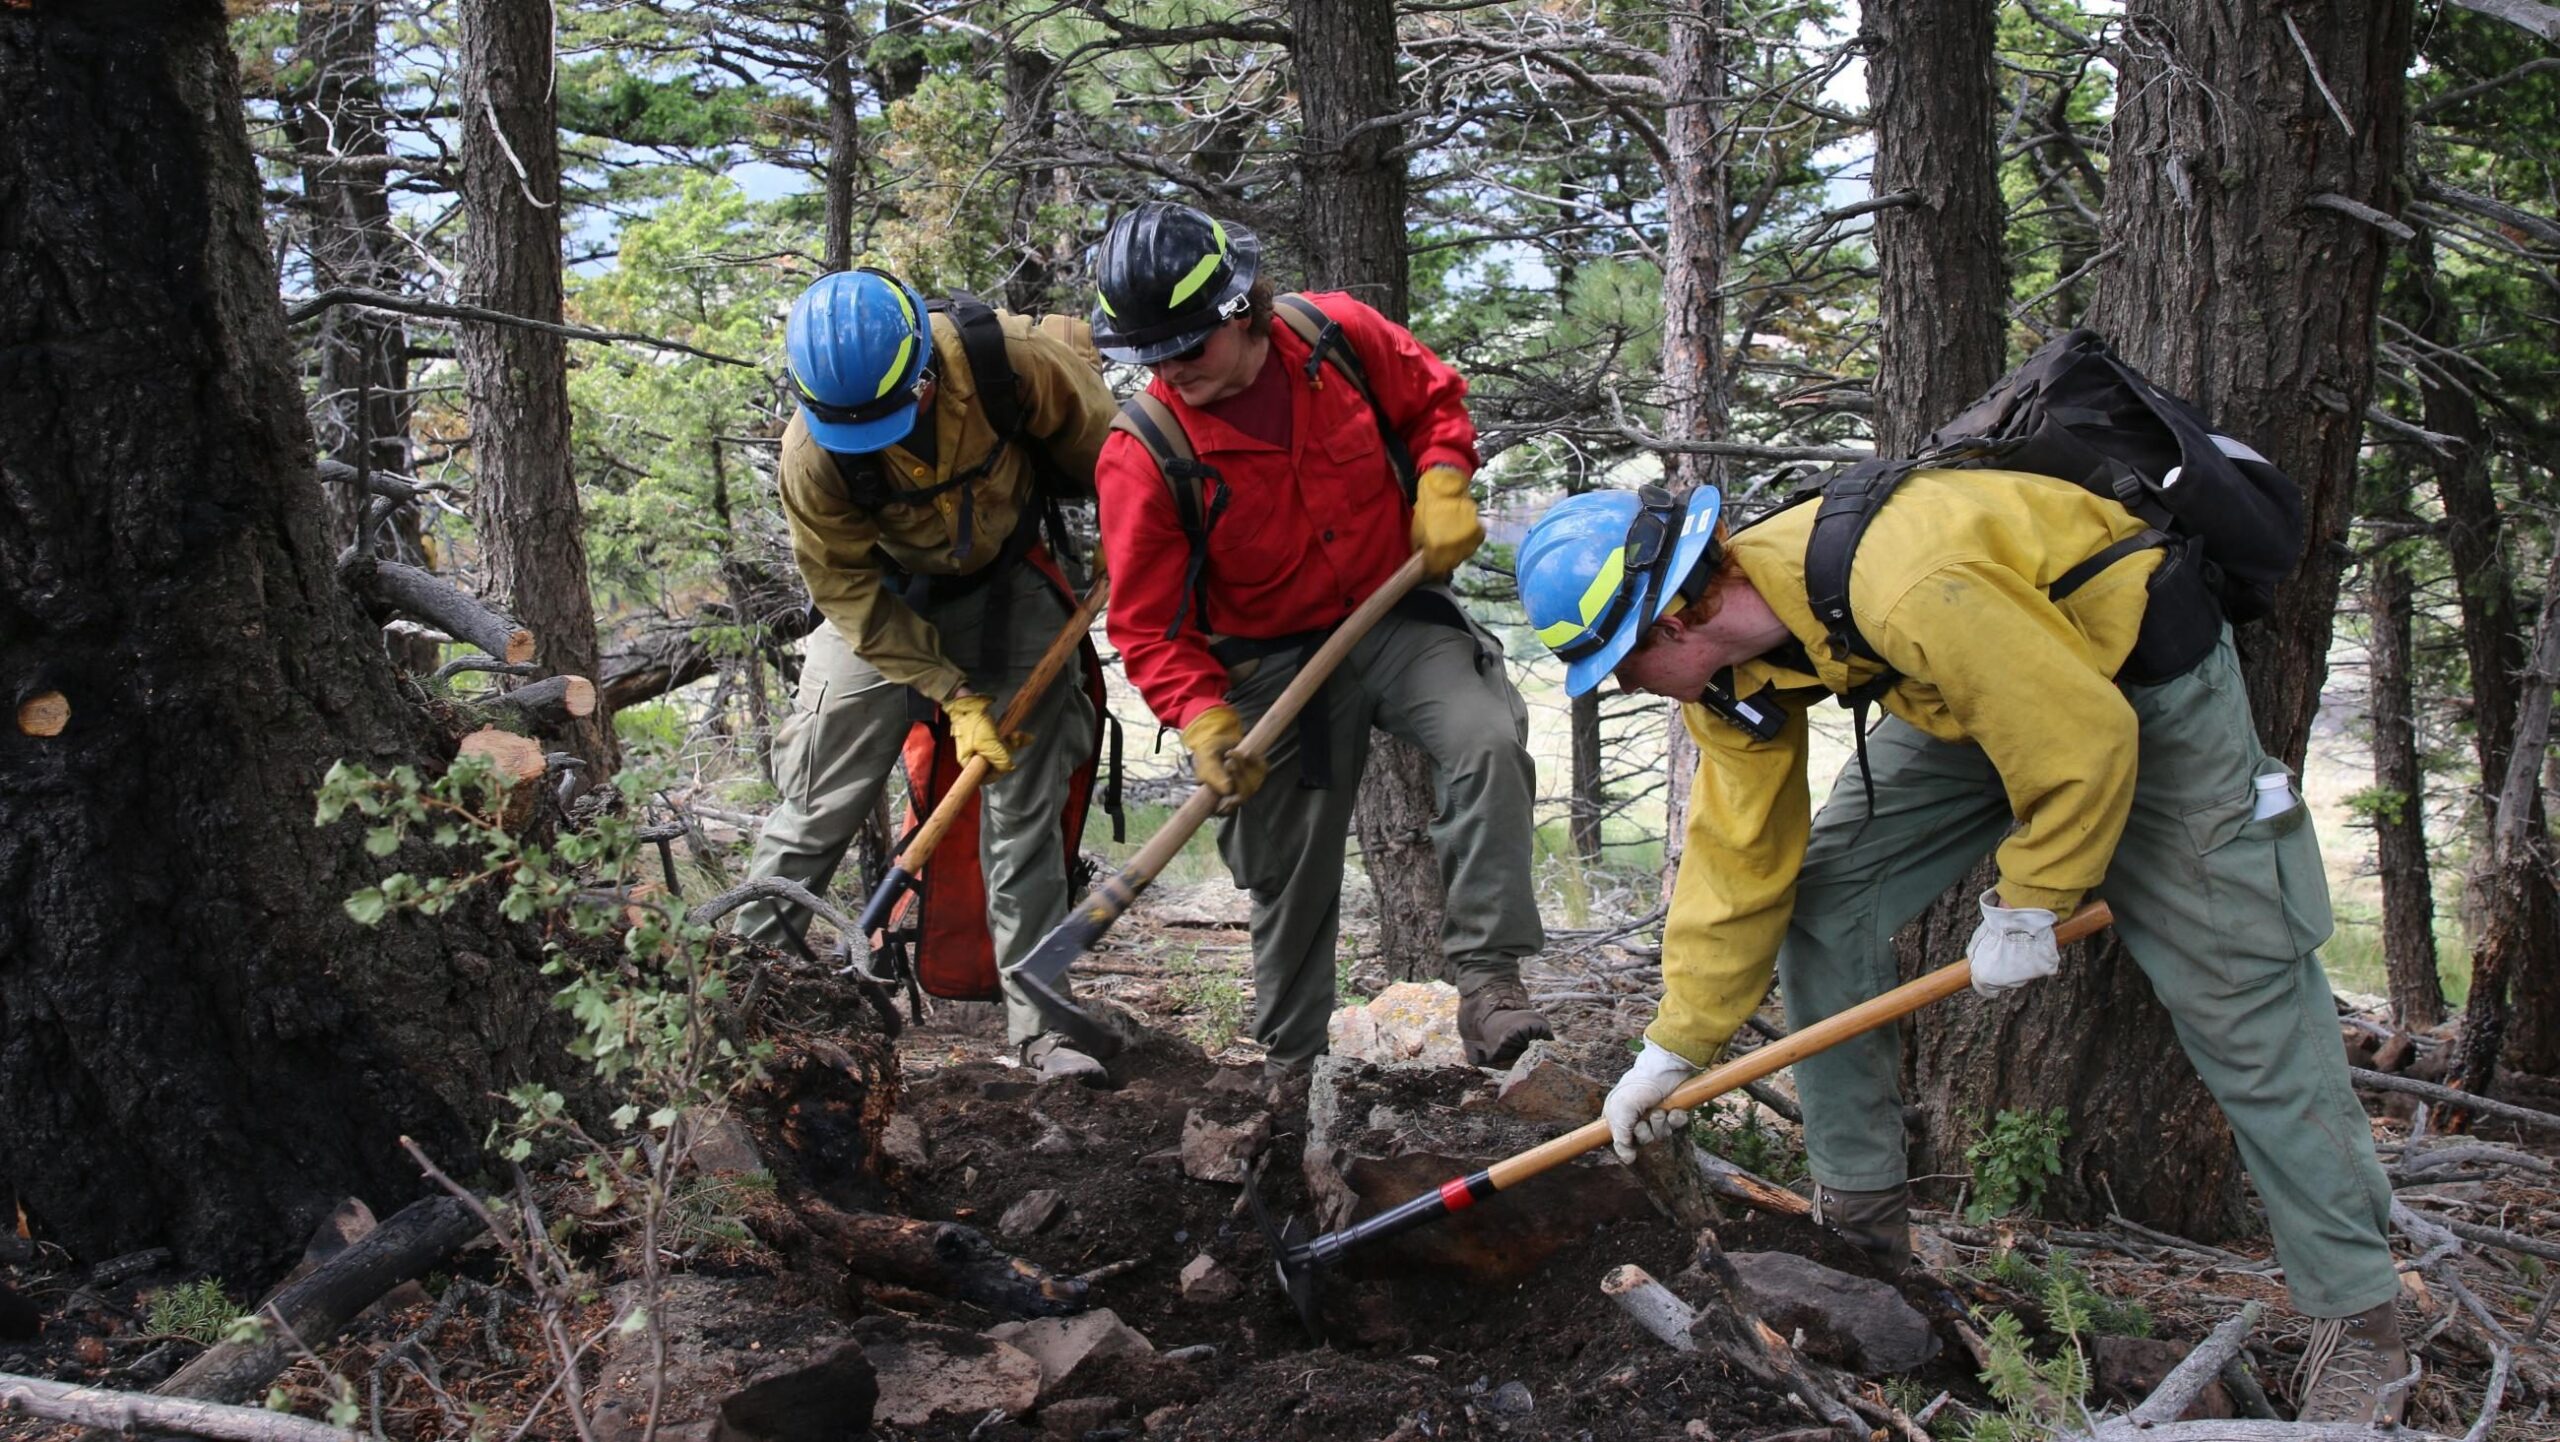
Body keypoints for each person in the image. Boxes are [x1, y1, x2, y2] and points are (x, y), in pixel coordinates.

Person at [1516, 476, 2408, 1425]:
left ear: (1672, 625)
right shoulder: (1735, 676)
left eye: (1615, 663)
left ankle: (2361, 1318)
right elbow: (1739, 861)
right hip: (1970, 690)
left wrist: (2030, 902)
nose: (1616, 686)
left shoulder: (1910, 582)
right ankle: (1861, 1237)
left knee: (2242, 995)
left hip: (2136, 687)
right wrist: (1674, 1046)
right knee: (1828, 901)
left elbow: (2083, 736)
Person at [1088, 201, 1552, 1075]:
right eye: (1146, 357)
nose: (1169, 372)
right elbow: (1148, 628)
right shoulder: (1144, 453)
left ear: (1239, 310)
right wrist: (1201, 717)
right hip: (1266, 663)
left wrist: (1445, 476)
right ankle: (1293, 1067)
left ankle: (1490, 986)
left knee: (1485, 740)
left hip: (1391, 615)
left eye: (1185, 349)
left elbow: (1433, 402)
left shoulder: (1337, 336)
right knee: (1288, 865)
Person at [740, 267, 1119, 1084]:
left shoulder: (1013, 362)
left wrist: (1129, 539)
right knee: (818, 799)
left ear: (923, 372)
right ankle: (731, 1000)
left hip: (1009, 579)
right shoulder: (812, 455)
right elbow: (843, 590)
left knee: (1024, 802)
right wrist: (948, 691)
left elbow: (1119, 461)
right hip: (882, 600)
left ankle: (1042, 1028)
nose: (871, 440)